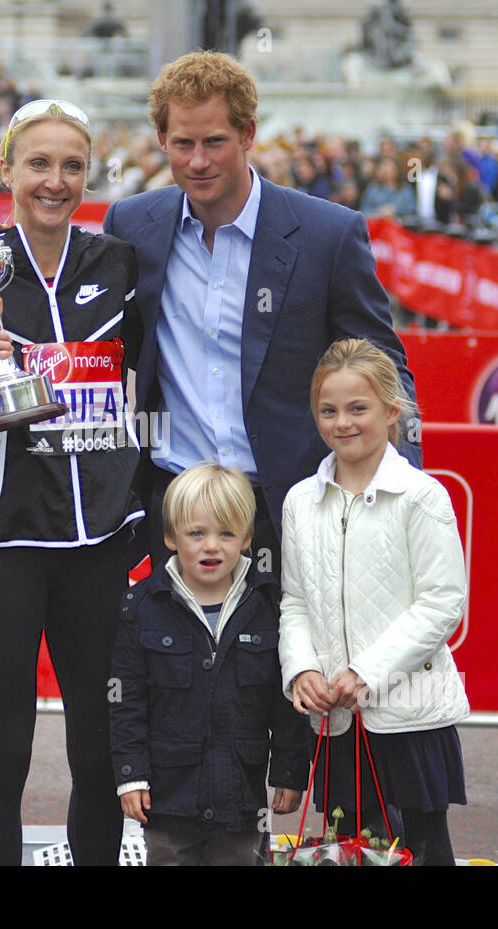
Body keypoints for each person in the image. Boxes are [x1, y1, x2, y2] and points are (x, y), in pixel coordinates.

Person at [0, 99, 142, 866]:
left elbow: (149, 386)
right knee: (4, 749)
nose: (55, 180)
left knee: (100, 751)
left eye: (72, 165)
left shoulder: (117, 265)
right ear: (6, 170)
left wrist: (141, 504)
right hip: (6, 539)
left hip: (101, 541)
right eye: (38, 163)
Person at [103, 51, 417, 581]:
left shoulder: (327, 234)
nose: (198, 161)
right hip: (176, 510)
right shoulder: (132, 224)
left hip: (293, 509)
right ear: (162, 141)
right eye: (183, 144)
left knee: (296, 665)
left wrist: (402, 483)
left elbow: (383, 365)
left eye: (214, 142)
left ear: (248, 134)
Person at [279, 338, 469, 866]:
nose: (343, 422)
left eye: (358, 408)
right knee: (352, 850)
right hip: (337, 722)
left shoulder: (422, 496)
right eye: (329, 410)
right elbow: (295, 601)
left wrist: (367, 671)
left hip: (410, 719)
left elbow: (442, 602)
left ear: (391, 409)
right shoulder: (301, 501)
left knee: (422, 851)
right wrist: (301, 670)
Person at [109, 462, 309, 865]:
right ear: (169, 537)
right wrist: (130, 774)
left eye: (226, 533)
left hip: (241, 800)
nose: (211, 546)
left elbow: (286, 699)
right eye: (196, 533)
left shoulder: (268, 606)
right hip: (167, 801)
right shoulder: (142, 607)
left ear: (248, 539)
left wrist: (290, 771)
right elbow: (126, 701)